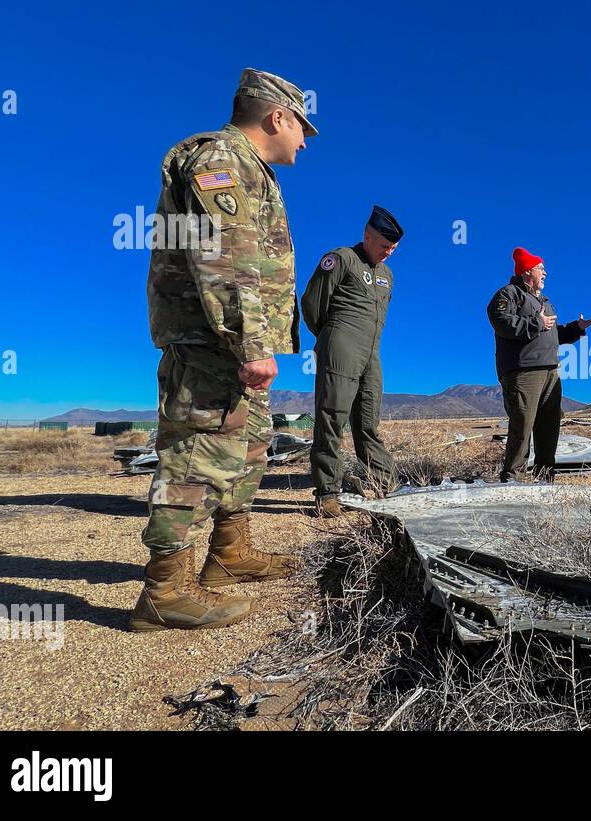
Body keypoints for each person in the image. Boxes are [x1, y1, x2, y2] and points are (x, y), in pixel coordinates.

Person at [133, 68, 315, 632]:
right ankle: (163, 591)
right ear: (276, 116)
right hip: (213, 341)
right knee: (196, 454)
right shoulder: (220, 160)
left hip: (232, 344)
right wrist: (250, 342)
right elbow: (223, 258)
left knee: (248, 449)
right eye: (303, 127)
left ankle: (228, 555)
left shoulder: (252, 171)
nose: (305, 140)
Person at [301, 206, 403, 517]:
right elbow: (312, 303)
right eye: (384, 246)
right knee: (332, 416)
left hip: (372, 351)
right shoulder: (342, 258)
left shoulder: (386, 275)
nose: (388, 253)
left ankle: (385, 480)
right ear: (367, 235)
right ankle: (328, 492)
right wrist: (331, 336)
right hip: (341, 343)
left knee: (368, 420)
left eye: (393, 249)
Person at [487, 247, 591, 481]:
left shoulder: (544, 301)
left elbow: (552, 333)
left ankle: (545, 476)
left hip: (550, 371)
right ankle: (512, 477)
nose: (545, 273)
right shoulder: (509, 294)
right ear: (527, 271)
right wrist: (537, 322)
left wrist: (577, 329)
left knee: (550, 424)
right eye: (541, 268)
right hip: (523, 371)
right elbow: (501, 321)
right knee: (522, 424)